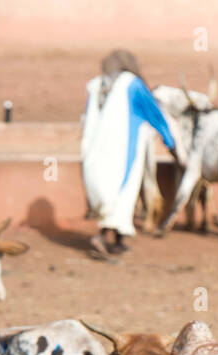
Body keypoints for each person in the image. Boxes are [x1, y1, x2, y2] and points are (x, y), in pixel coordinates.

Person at [80, 50, 177, 260]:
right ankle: (103, 237)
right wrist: (170, 140)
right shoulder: (131, 83)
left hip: (94, 153)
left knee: (112, 194)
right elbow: (153, 111)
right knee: (123, 192)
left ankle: (119, 239)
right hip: (124, 151)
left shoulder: (96, 85)